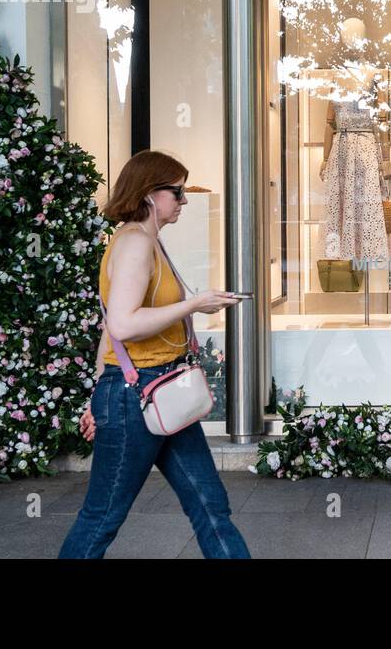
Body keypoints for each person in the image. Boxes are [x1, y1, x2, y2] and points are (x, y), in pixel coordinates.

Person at [59, 150, 252, 558]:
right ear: (150, 194)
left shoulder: (149, 241)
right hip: (135, 398)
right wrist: (193, 305)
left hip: (160, 390)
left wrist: (98, 392)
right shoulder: (133, 244)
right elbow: (123, 325)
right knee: (103, 515)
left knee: (209, 503)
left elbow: (107, 331)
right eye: (178, 192)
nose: (184, 201)